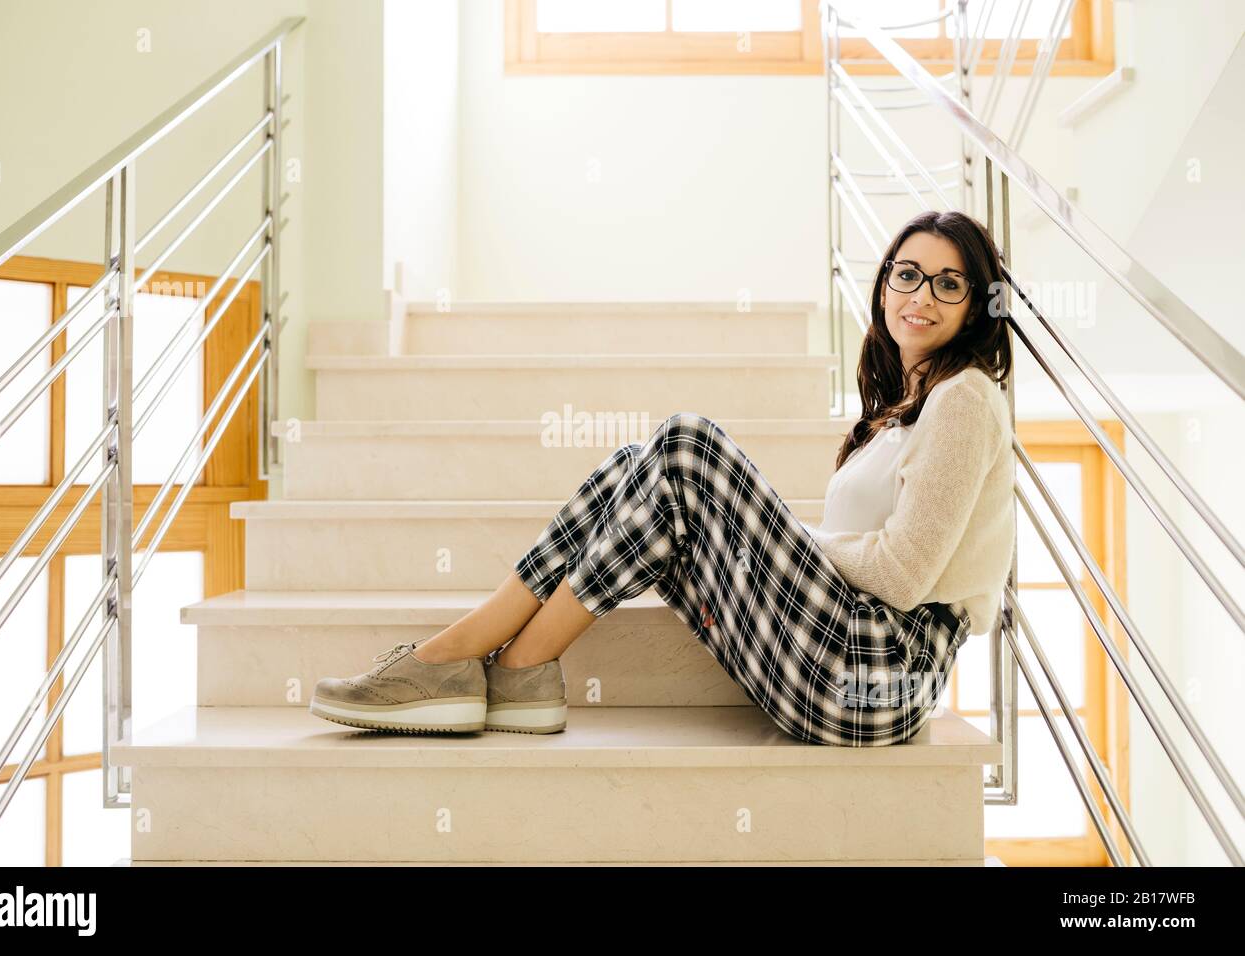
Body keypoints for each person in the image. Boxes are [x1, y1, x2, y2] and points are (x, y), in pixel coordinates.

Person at [310, 209, 1015, 746]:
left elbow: (902, 576)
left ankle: (469, 655)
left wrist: (785, 533)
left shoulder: (966, 399)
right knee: (635, 471)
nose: (920, 294)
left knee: (685, 446)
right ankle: (513, 670)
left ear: (976, 304)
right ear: (884, 285)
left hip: (881, 671)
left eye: (948, 283)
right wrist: (776, 534)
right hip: (843, 656)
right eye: (907, 274)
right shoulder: (903, 412)